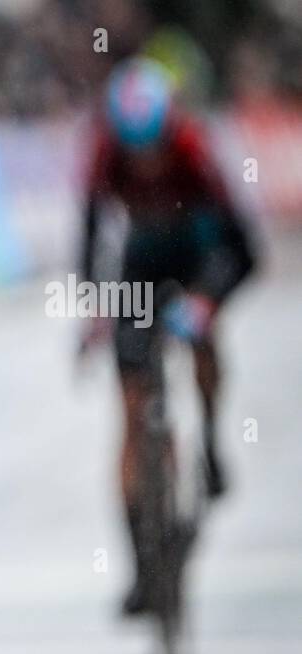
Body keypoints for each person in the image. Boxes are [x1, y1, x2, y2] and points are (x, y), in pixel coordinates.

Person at [80, 57, 256, 615]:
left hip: (196, 255)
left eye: (154, 147)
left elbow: (244, 252)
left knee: (201, 338)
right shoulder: (106, 152)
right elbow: (90, 236)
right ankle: (141, 567)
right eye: (138, 153)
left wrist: (207, 302)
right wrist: (95, 312)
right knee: (132, 412)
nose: (148, 163)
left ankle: (208, 439)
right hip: (141, 263)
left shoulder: (194, 152)